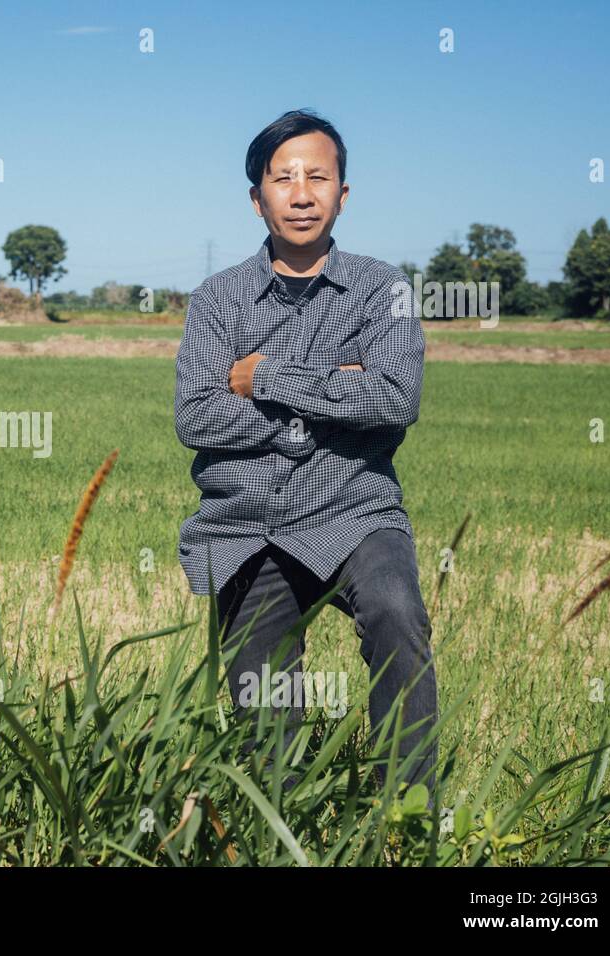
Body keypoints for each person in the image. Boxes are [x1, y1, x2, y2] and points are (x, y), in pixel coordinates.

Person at [174, 109, 439, 795]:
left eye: (317, 177)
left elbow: (392, 402)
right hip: (248, 521)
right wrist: (331, 396)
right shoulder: (215, 301)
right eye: (282, 178)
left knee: (395, 612)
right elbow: (198, 417)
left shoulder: (385, 290)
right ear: (256, 197)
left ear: (342, 194)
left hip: (355, 506)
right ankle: (285, 824)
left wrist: (262, 376)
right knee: (266, 723)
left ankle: (406, 810)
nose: (300, 193)